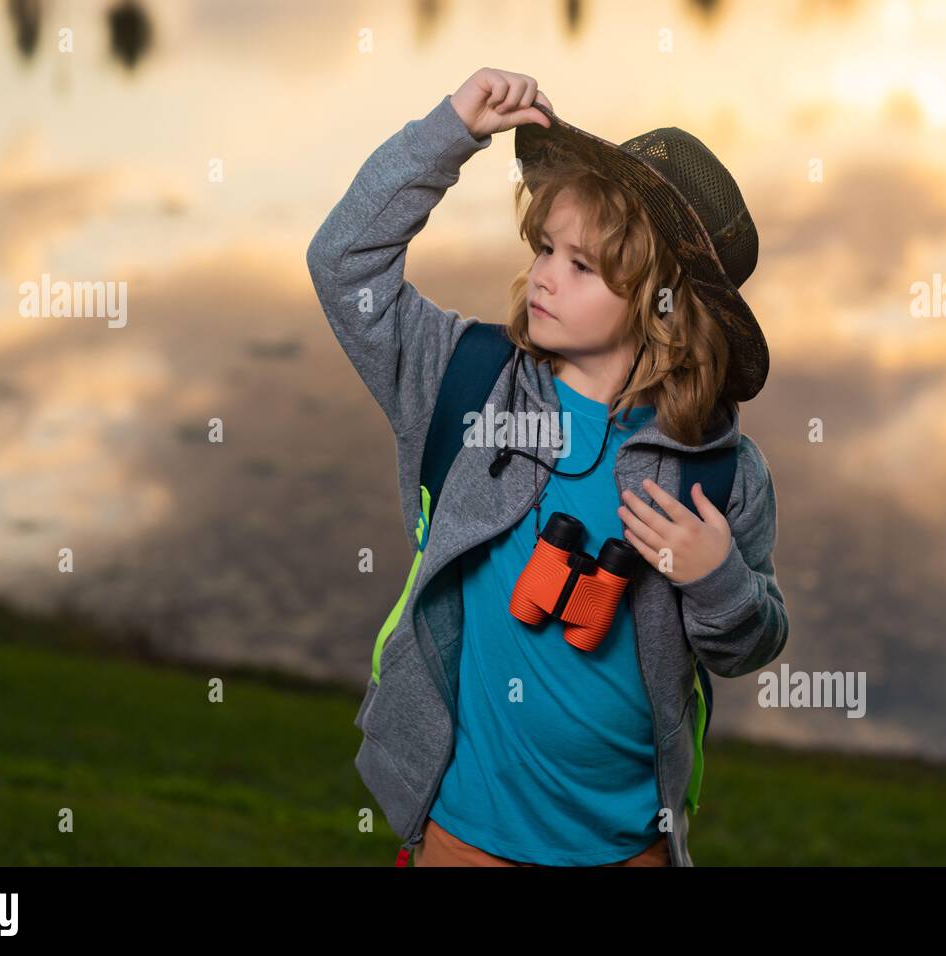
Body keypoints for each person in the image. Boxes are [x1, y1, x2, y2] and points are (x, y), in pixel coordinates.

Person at [307, 68, 789, 867]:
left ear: (663, 305)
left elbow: (751, 643)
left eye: (583, 266)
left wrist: (720, 580)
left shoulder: (723, 474)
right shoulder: (461, 380)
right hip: (465, 831)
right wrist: (448, 133)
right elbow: (342, 265)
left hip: (627, 846)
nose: (543, 275)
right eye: (544, 248)